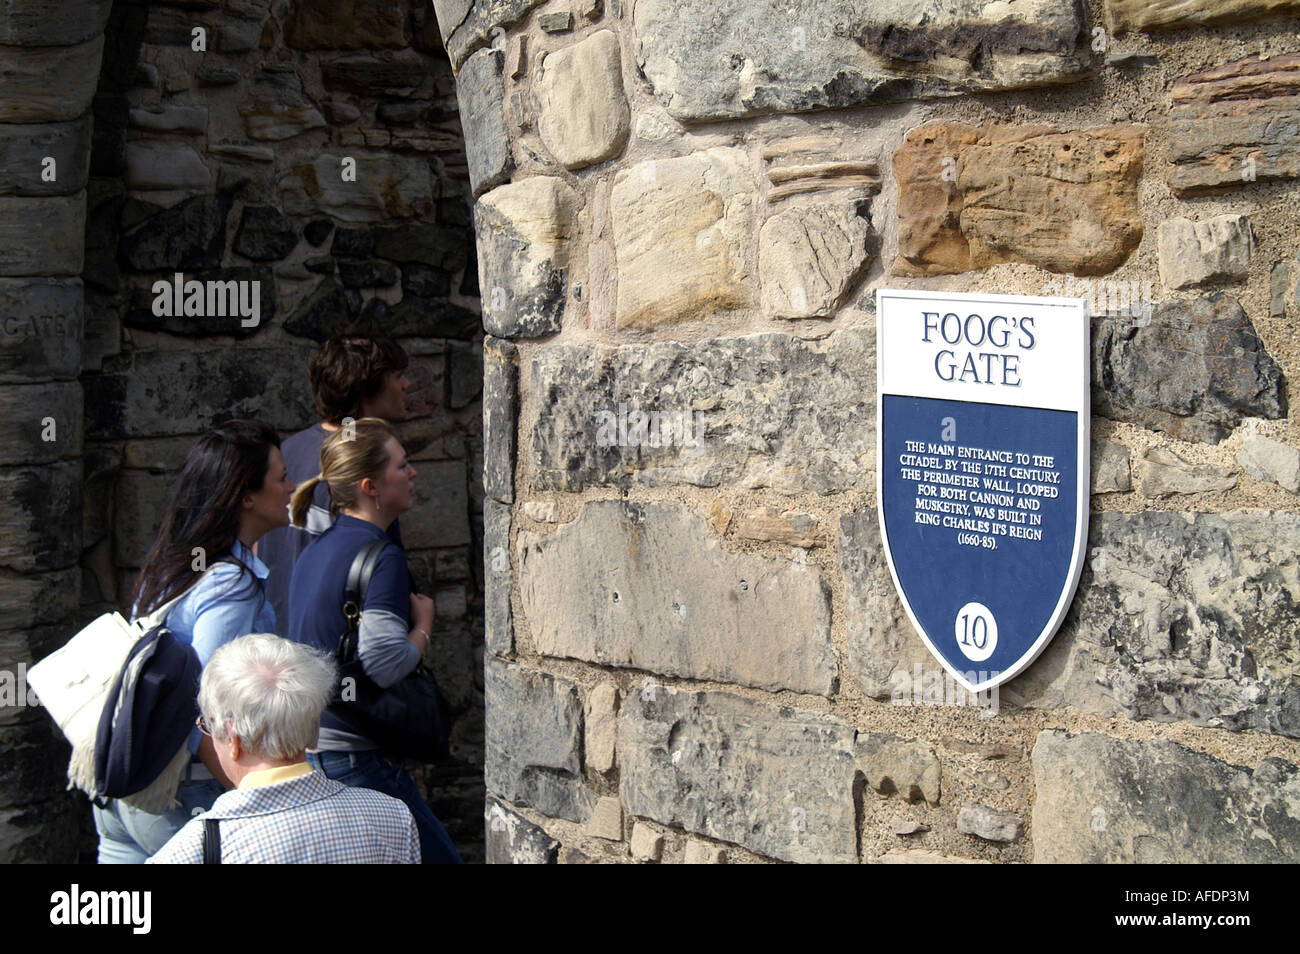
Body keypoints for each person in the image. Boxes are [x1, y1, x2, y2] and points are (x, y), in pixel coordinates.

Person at [94, 420, 293, 863]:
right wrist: (257, 791)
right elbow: (204, 705)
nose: (292, 487)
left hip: (125, 782)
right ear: (246, 496)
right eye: (281, 478)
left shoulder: (172, 565)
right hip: (182, 790)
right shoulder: (229, 584)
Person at [288, 418, 462, 864]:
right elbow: (383, 662)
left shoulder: (314, 551)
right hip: (358, 756)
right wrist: (423, 626)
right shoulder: (382, 556)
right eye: (402, 466)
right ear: (371, 486)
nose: (413, 473)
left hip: (317, 751)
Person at [148, 633, 420, 864]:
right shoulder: (393, 817)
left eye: (207, 727)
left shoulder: (192, 852)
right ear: (312, 725)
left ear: (233, 738)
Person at [259, 334, 411, 636]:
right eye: (397, 376)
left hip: (276, 644)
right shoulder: (362, 465)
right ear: (368, 390)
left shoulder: (287, 451)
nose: (406, 385)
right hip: (332, 652)